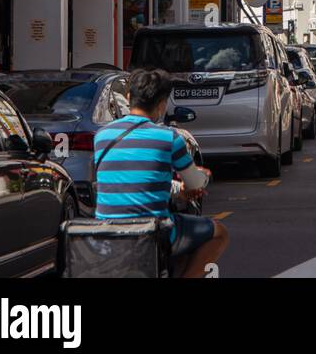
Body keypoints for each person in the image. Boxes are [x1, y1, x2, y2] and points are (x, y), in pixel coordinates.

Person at [94, 68, 228, 279]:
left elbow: (133, 180)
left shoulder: (101, 136)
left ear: (129, 98)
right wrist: (202, 176)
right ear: (162, 104)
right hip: (153, 233)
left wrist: (176, 190)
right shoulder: (169, 138)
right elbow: (195, 184)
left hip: (107, 235)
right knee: (219, 233)